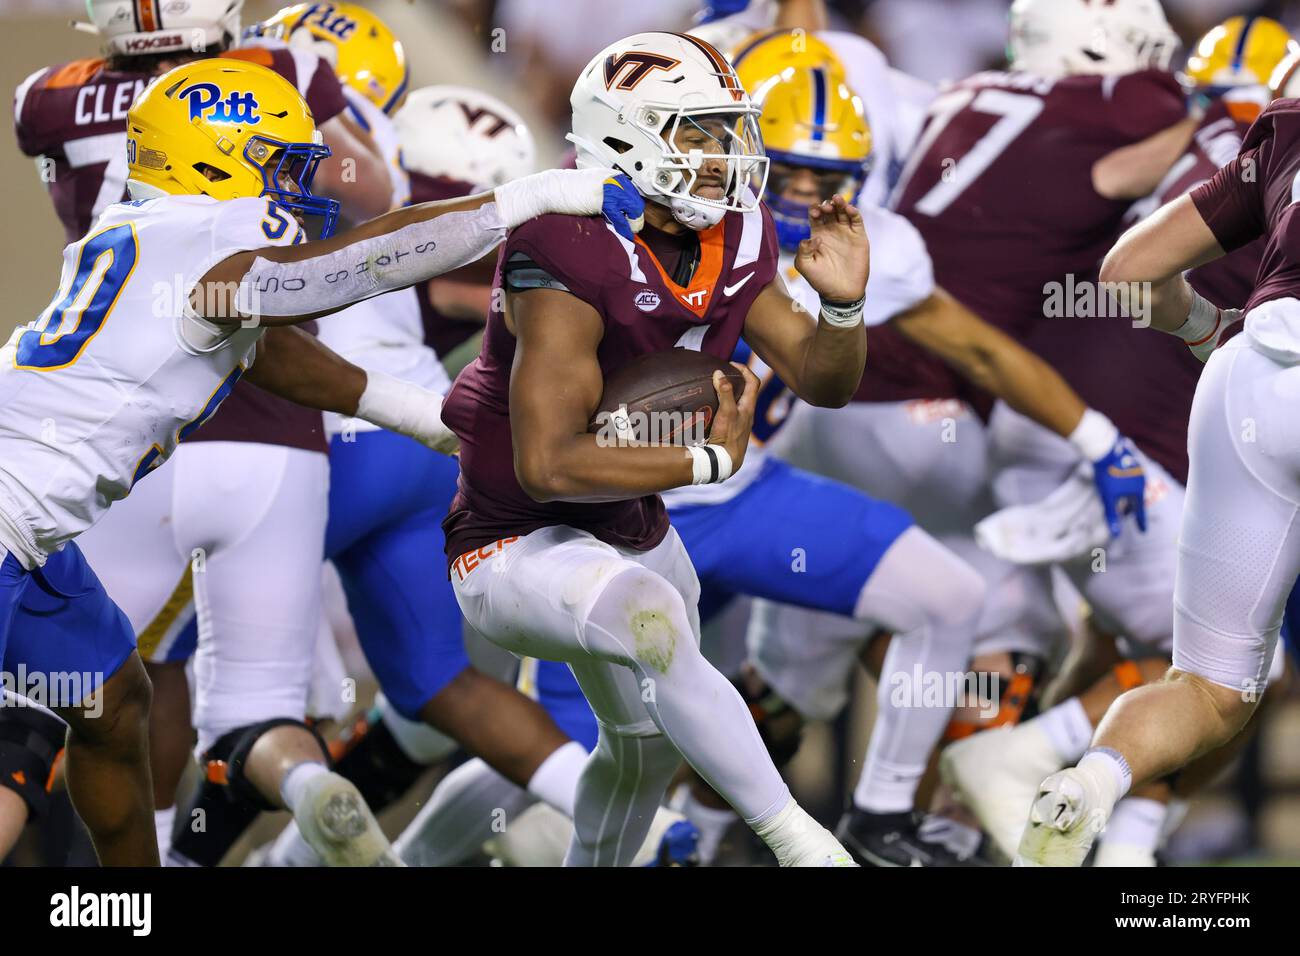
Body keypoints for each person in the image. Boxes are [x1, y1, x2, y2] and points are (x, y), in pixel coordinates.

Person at [0, 53, 639, 865]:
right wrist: (525, 202)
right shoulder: (216, 230)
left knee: (114, 703)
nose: (304, 188)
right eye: (283, 166)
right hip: (10, 523)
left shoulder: (150, 230)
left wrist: (417, 415)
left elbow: (259, 353)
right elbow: (352, 265)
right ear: (214, 160)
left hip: (36, 533)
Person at [439, 30, 865, 866]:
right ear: (623, 137)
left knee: (644, 748)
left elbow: (824, 380)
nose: (719, 158)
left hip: (628, 521)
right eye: (694, 133)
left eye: (724, 133)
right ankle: (804, 844)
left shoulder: (740, 231)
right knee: (653, 617)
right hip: (510, 536)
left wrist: (844, 308)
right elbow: (549, 464)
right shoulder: (567, 240)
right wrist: (705, 462)